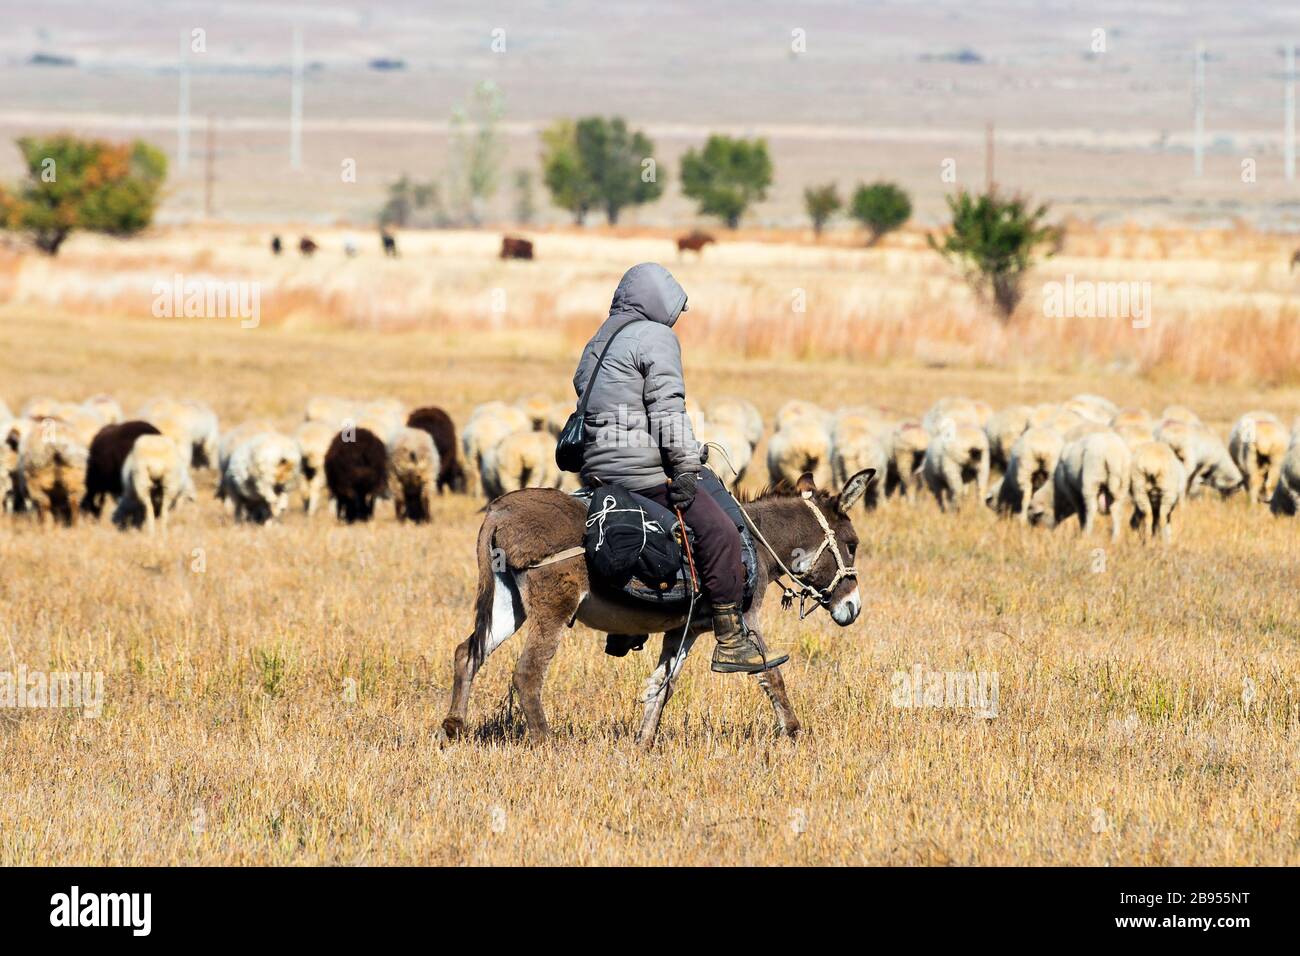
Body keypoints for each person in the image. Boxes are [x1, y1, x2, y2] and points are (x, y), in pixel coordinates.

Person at [573, 262, 788, 674]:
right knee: (719, 532)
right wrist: (687, 467)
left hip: (596, 469)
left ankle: (627, 620)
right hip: (638, 472)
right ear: (658, 302)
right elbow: (667, 409)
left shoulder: (599, 338)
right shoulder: (656, 337)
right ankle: (729, 637)